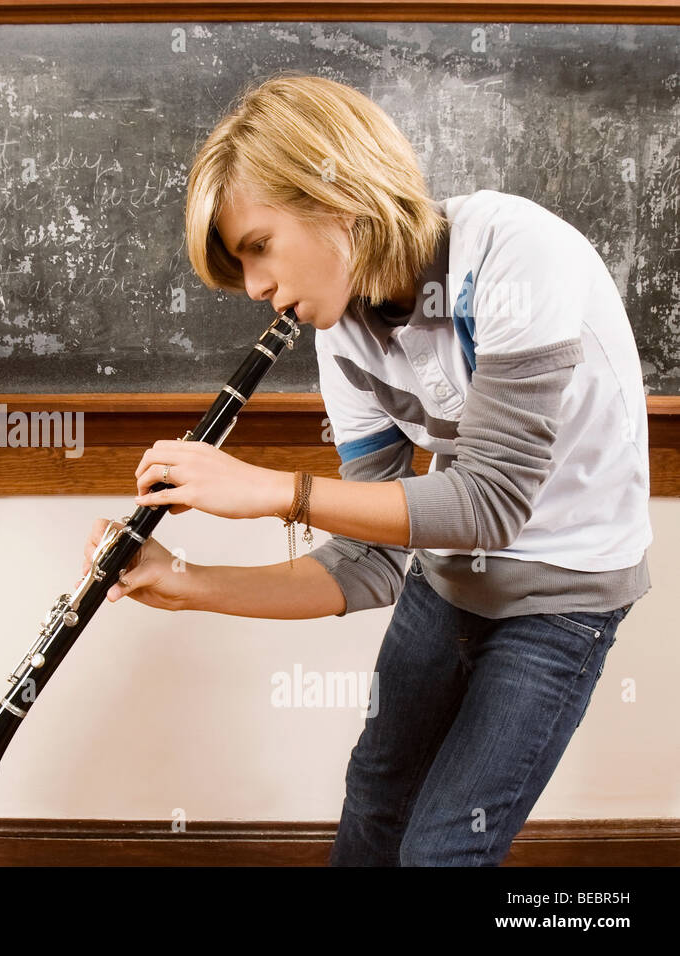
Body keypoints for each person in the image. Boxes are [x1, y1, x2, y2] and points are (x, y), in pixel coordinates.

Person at [85, 72, 651, 866]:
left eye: (258, 248)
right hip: (450, 580)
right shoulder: (340, 334)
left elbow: (489, 505)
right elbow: (372, 561)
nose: (255, 288)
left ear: (336, 193)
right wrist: (185, 583)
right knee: (375, 801)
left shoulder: (519, 252)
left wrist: (272, 494)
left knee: (442, 851)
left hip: (565, 594)